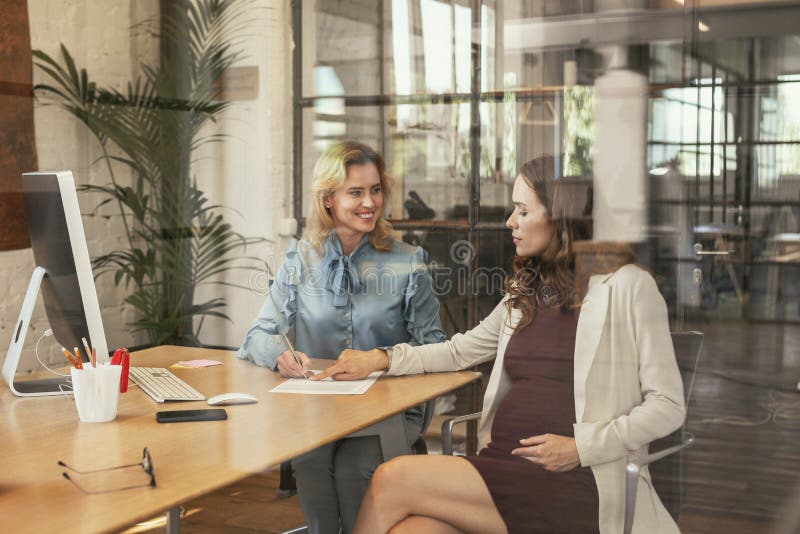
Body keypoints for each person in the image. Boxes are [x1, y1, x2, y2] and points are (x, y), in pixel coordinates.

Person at [313, 156, 686, 533]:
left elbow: (667, 406)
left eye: (522, 211)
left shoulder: (628, 287)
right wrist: (381, 358)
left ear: (559, 219)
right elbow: (459, 351)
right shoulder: (527, 290)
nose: (510, 221)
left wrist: (580, 447)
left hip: (577, 482)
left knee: (391, 479)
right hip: (503, 465)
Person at [237, 141, 446, 534]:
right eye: (356, 192)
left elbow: (435, 347)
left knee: (353, 471)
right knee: (311, 465)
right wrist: (280, 356)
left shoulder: (408, 261)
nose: (370, 202)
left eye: (376, 189)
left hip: (389, 408)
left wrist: (382, 357)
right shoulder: (300, 259)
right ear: (328, 199)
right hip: (317, 411)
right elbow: (257, 335)